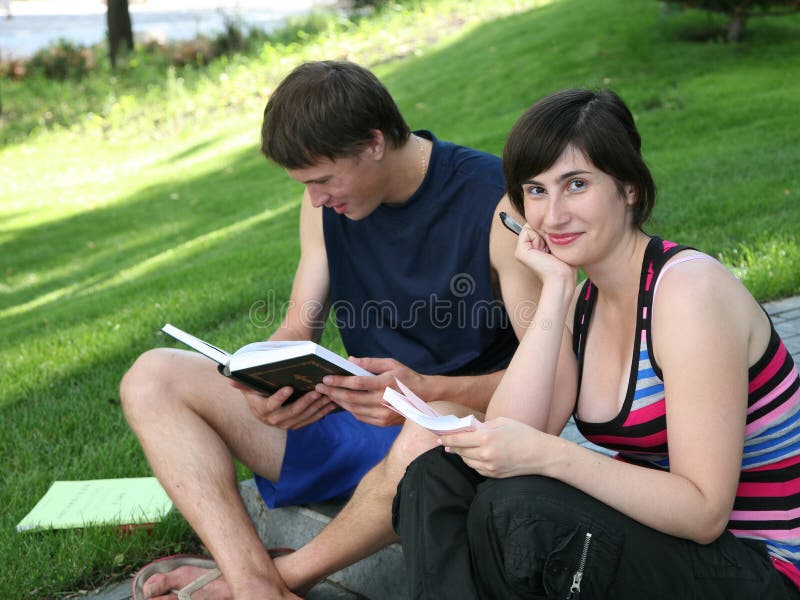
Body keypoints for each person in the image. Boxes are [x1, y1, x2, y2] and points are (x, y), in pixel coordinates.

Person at [121, 60, 540, 599]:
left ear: (373, 143)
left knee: (422, 435)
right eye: (306, 185)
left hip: (451, 437)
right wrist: (260, 385)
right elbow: (299, 326)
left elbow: (553, 377)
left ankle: (273, 582)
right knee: (152, 376)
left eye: (322, 180)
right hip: (356, 421)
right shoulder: (324, 206)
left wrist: (424, 391)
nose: (317, 198)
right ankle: (253, 583)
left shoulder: (496, 205)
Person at [392, 88, 800, 599]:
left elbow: (704, 513)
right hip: (670, 547)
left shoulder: (687, 292)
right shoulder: (583, 303)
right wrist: (555, 291)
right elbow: (509, 433)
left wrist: (551, 457)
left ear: (628, 187)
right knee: (437, 477)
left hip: (763, 567)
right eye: (536, 191)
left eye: (576, 184)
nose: (552, 215)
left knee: (518, 510)